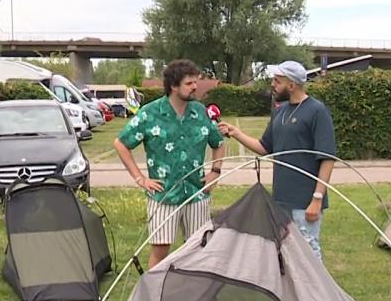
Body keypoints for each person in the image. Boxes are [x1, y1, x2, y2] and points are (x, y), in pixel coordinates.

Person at [219, 60, 336, 261]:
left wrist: (317, 199)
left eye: (277, 80)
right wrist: (236, 133)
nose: (272, 84)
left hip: (305, 200)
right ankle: (289, 292)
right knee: (285, 251)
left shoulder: (317, 111)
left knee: (308, 250)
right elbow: (265, 148)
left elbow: (327, 158)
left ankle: (313, 293)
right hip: (281, 198)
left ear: (291, 85)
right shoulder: (280, 112)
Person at [114, 60, 226, 269]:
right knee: (160, 250)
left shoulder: (200, 112)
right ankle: (155, 297)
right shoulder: (150, 113)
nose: (195, 87)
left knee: (198, 248)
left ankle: (195, 295)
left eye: (196, 82)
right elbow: (121, 143)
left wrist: (215, 172)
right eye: (189, 83)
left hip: (196, 193)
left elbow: (219, 143)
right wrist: (140, 178)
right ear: (173, 86)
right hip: (163, 194)